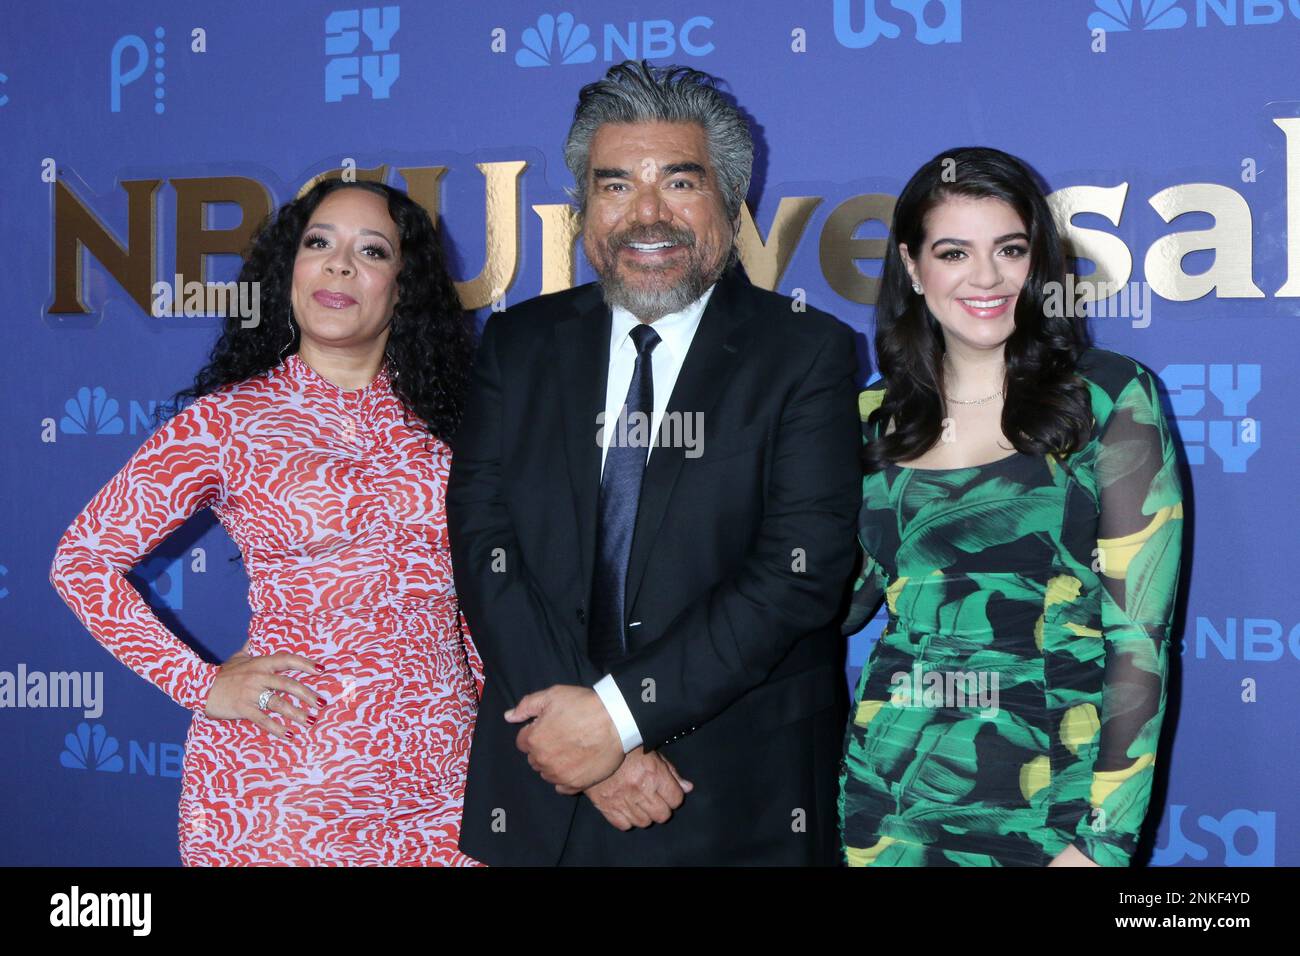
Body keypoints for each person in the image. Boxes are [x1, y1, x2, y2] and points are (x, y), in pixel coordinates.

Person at [446, 60, 860, 865]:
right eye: (613, 185)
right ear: (582, 207)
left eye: (678, 182)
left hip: (736, 793)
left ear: (729, 201)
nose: (646, 215)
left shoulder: (806, 352)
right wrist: (583, 744)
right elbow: (484, 544)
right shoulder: (518, 345)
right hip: (545, 786)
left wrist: (615, 720)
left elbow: (797, 574)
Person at [49, 178, 482, 866]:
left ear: (404, 288)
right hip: (282, 793)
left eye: (371, 250)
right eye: (320, 243)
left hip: (446, 792)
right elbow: (82, 561)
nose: (340, 264)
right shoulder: (229, 423)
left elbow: (468, 599)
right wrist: (203, 684)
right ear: (291, 272)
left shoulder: (451, 427)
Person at [839, 146, 1184, 867]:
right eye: (954, 251)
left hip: (1052, 801)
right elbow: (835, 606)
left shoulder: (1111, 399)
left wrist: (1103, 842)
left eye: (1010, 249)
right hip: (887, 798)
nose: (987, 277)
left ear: (1040, 261)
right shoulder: (871, 416)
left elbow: (1140, 644)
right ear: (911, 266)